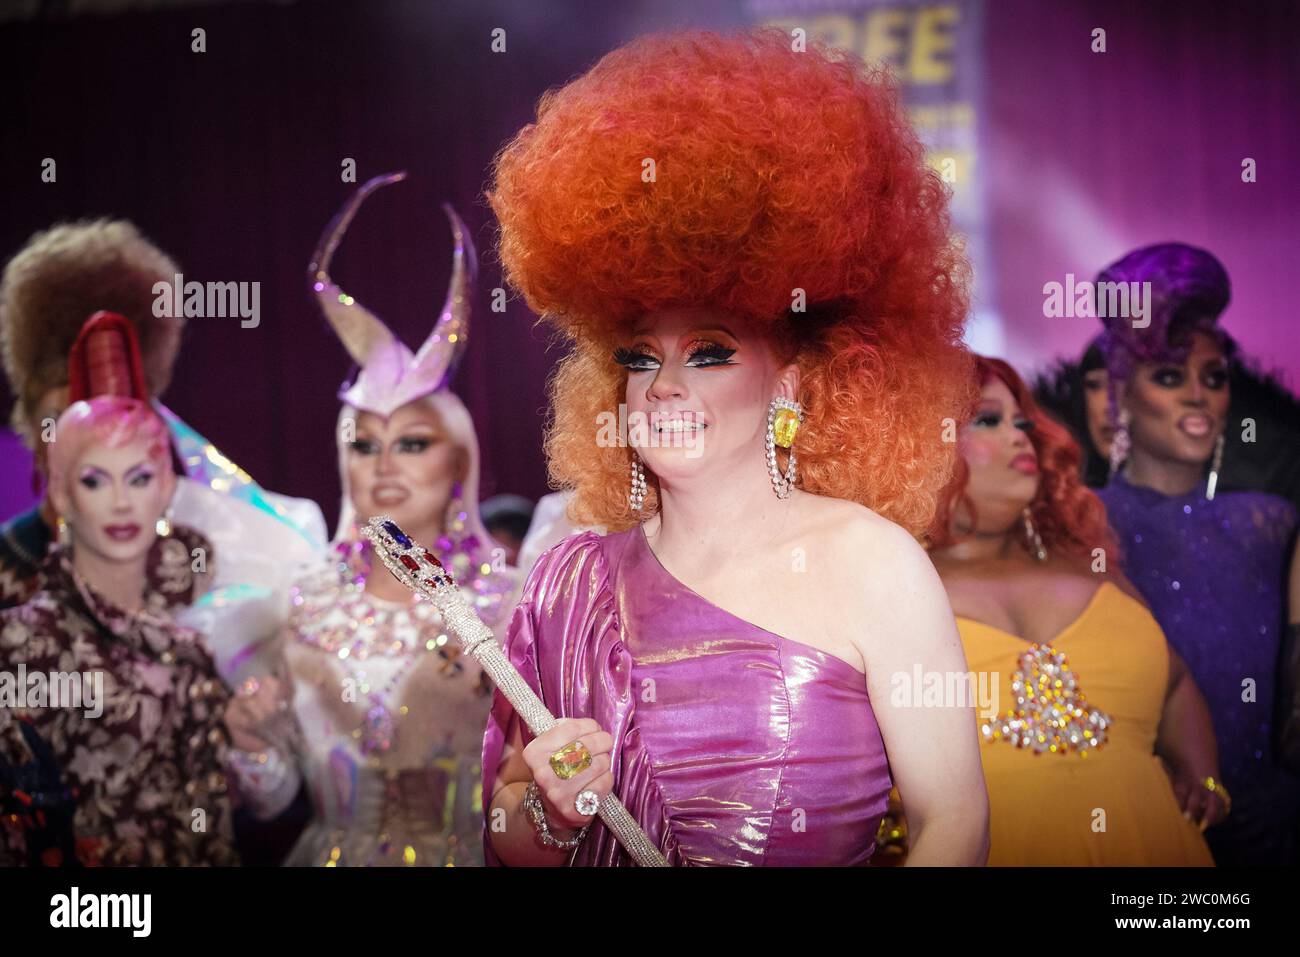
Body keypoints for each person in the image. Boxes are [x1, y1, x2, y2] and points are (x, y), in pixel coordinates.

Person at [480, 28, 989, 866]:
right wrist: (550, 813)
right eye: (641, 358)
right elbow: (501, 837)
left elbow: (955, 825)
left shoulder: (873, 560)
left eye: (710, 352)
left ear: (789, 385)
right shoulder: (568, 580)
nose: (664, 386)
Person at [223, 173, 519, 866]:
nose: (385, 463)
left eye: (412, 442)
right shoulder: (299, 602)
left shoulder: (513, 603)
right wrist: (254, 742)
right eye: (364, 444)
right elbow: (274, 798)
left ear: (459, 463)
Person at [928, 356, 1218, 865]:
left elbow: (1176, 683)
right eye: (988, 419)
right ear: (912, 443)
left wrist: (1203, 776)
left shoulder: (1095, 567)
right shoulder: (890, 581)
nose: (1020, 437)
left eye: (1023, 422)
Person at [1095, 242, 1300, 865]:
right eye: (1168, 376)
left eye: (1213, 377)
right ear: (1120, 397)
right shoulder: (1080, 519)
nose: (1198, 396)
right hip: (1139, 822)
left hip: (1273, 824)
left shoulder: (1268, 522)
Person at [0, 355, 239, 864]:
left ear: (166, 488)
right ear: (61, 494)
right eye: (94, 481)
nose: (121, 502)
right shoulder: (19, 644)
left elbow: (214, 819)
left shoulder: (200, 638)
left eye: (137, 478)